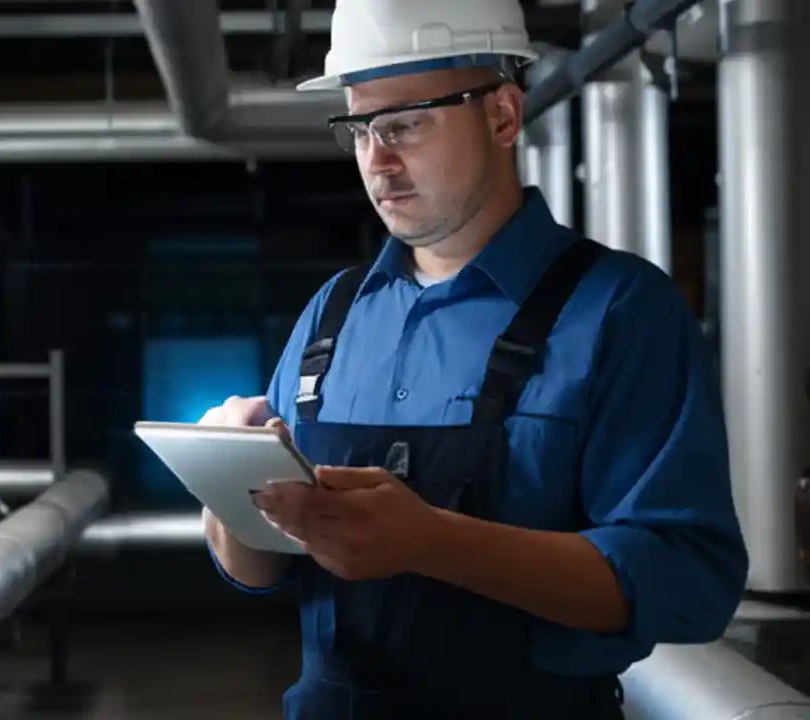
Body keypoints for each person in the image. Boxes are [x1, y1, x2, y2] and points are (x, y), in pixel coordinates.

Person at [198, 1, 749, 718]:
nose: (377, 160)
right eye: (359, 127)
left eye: (405, 124)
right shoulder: (332, 316)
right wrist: (229, 494)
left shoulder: (619, 312)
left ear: (502, 117)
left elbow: (688, 584)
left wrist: (430, 542)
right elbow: (260, 570)